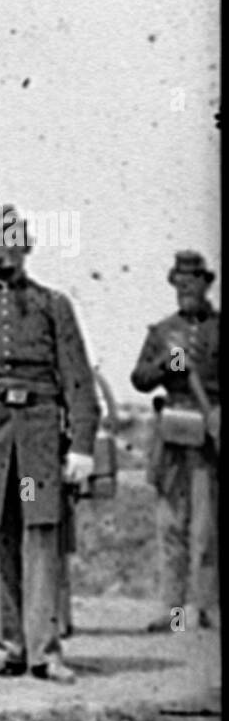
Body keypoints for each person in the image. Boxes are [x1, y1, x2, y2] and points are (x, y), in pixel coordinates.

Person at [0, 205, 99, 683]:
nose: (4, 250)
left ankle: (44, 652)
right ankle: (10, 647)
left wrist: (83, 447)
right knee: (0, 535)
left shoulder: (54, 306)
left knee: (40, 534)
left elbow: (79, 383)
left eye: (13, 240)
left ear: (26, 246)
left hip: (39, 439)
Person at [129, 250, 220, 632]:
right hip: (171, 434)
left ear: (205, 284)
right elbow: (140, 377)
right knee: (171, 526)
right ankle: (176, 613)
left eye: (191, 283)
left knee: (205, 527)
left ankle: (205, 608)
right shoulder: (163, 331)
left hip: (209, 435)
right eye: (178, 284)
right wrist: (166, 364)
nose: (185, 290)